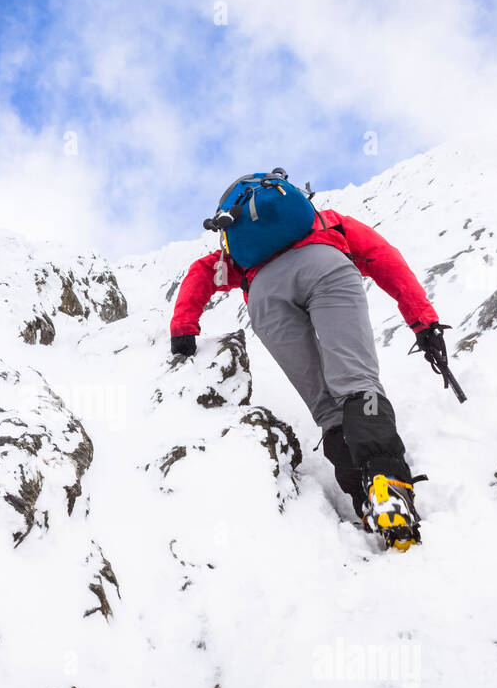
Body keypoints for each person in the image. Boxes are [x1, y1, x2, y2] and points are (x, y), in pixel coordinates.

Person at [168, 205, 448, 547]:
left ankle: (365, 502)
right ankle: (388, 488)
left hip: (266, 296)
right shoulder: (325, 220)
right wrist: (423, 321)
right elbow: (383, 256)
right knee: (359, 385)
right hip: (326, 269)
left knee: (328, 409)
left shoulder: (242, 250)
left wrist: (183, 328)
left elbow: (202, 272)